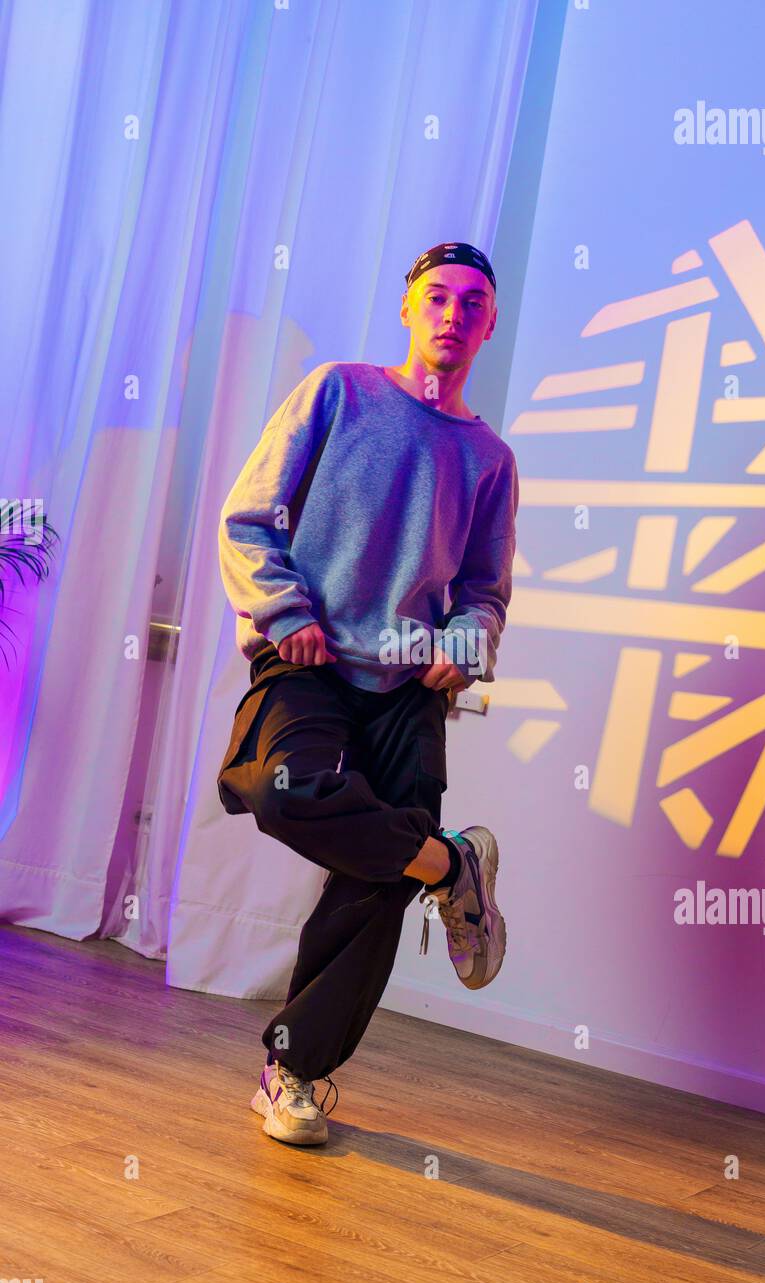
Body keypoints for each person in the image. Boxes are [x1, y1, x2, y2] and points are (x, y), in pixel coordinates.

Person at [216, 241, 519, 1147]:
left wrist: (465, 645)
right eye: (438, 297)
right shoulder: (337, 392)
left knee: (368, 883)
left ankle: (293, 1071)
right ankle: (448, 863)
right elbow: (248, 516)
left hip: (405, 690)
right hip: (306, 662)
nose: (453, 315)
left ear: (490, 325)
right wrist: (284, 609)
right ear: (407, 309)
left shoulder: (490, 459)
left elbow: (483, 590)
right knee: (284, 788)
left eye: (473, 303)